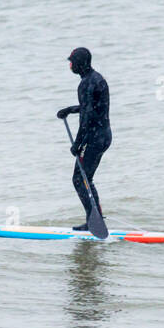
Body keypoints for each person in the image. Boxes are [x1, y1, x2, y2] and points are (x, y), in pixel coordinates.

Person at [55, 47, 111, 230]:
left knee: (80, 179)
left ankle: (94, 221)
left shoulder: (85, 84)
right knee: (85, 178)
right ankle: (96, 219)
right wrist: (71, 109)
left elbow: (87, 118)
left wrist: (78, 144)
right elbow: (92, 107)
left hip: (94, 138)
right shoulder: (98, 79)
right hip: (104, 136)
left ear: (79, 64)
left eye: (72, 62)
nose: (70, 65)